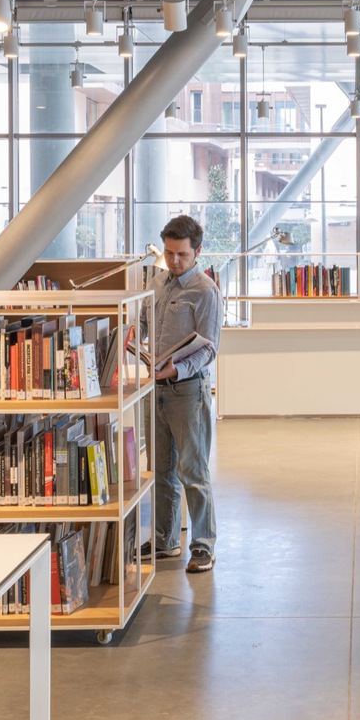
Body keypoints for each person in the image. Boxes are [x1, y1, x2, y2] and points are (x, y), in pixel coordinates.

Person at [151, 214, 222, 573]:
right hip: (156, 391)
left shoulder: (206, 291)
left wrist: (176, 369)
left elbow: (209, 349)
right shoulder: (158, 283)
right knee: (161, 471)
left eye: (181, 254)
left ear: (197, 251)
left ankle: (203, 545)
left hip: (187, 392)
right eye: (168, 253)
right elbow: (149, 326)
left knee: (192, 471)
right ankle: (165, 540)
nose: (174, 261)